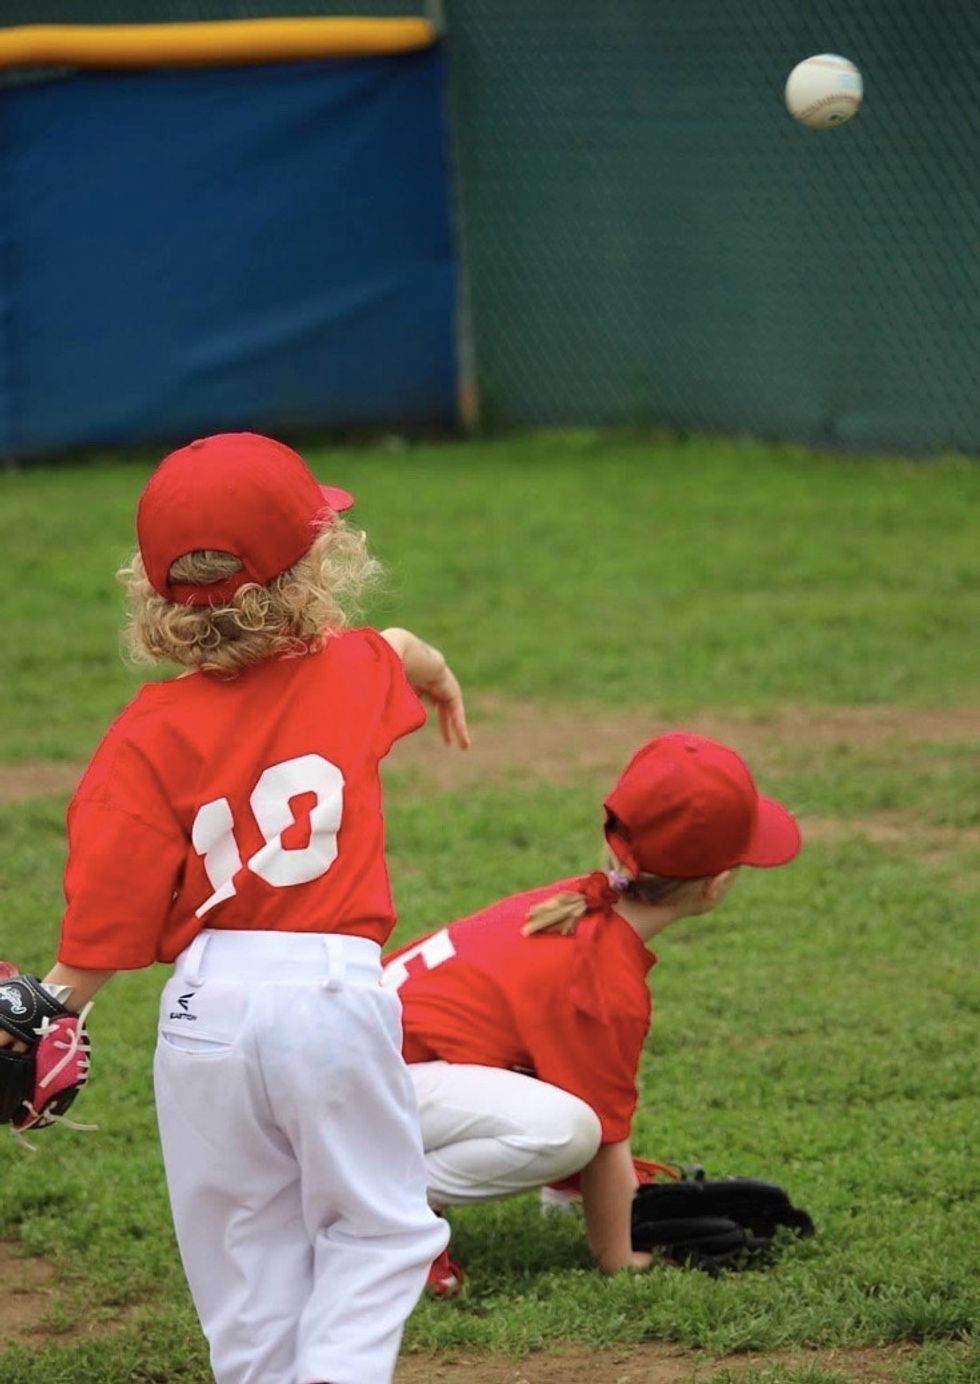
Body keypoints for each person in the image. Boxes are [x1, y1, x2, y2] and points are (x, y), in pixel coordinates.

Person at [0, 432, 470, 1384]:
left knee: (244, 1267)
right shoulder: (357, 668)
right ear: (314, 568)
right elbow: (403, 648)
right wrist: (440, 675)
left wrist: (53, 1003)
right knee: (379, 1234)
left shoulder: (144, 732)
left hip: (203, 1012)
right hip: (329, 995)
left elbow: (109, 908)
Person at [381, 731, 801, 1292]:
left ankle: (360, 1182)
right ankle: (373, 1206)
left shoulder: (576, 901)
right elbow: (602, 1135)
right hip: (347, 1100)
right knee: (569, 1130)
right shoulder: (602, 975)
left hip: (340, 1079)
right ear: (715, 885)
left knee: (563, 1110)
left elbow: (549, 1060)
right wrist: (619, 1255)